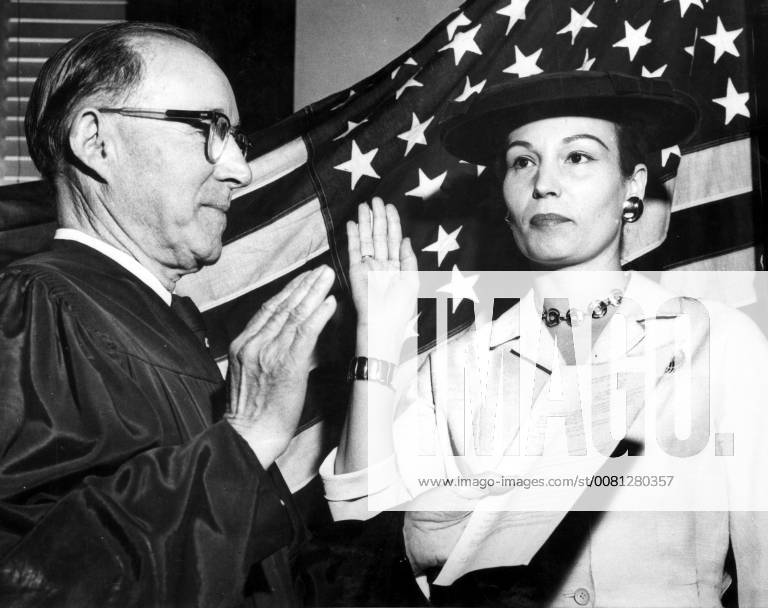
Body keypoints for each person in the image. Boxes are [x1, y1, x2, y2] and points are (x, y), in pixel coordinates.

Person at [320, 71, 768, 606]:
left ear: (633, 186)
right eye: (522, 161)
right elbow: (362, 545)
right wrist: (377, 336)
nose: (544, 183)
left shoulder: (719, 339)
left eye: (578, 157)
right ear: (504, 195)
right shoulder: (452, 367)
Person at [0, 22, 339, 607]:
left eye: (237, 137)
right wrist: (246, 438)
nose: (240, 168)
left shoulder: (161, 321)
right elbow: (44, 586)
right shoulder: (37, 309)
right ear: (96, 142)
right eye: (210, 128)